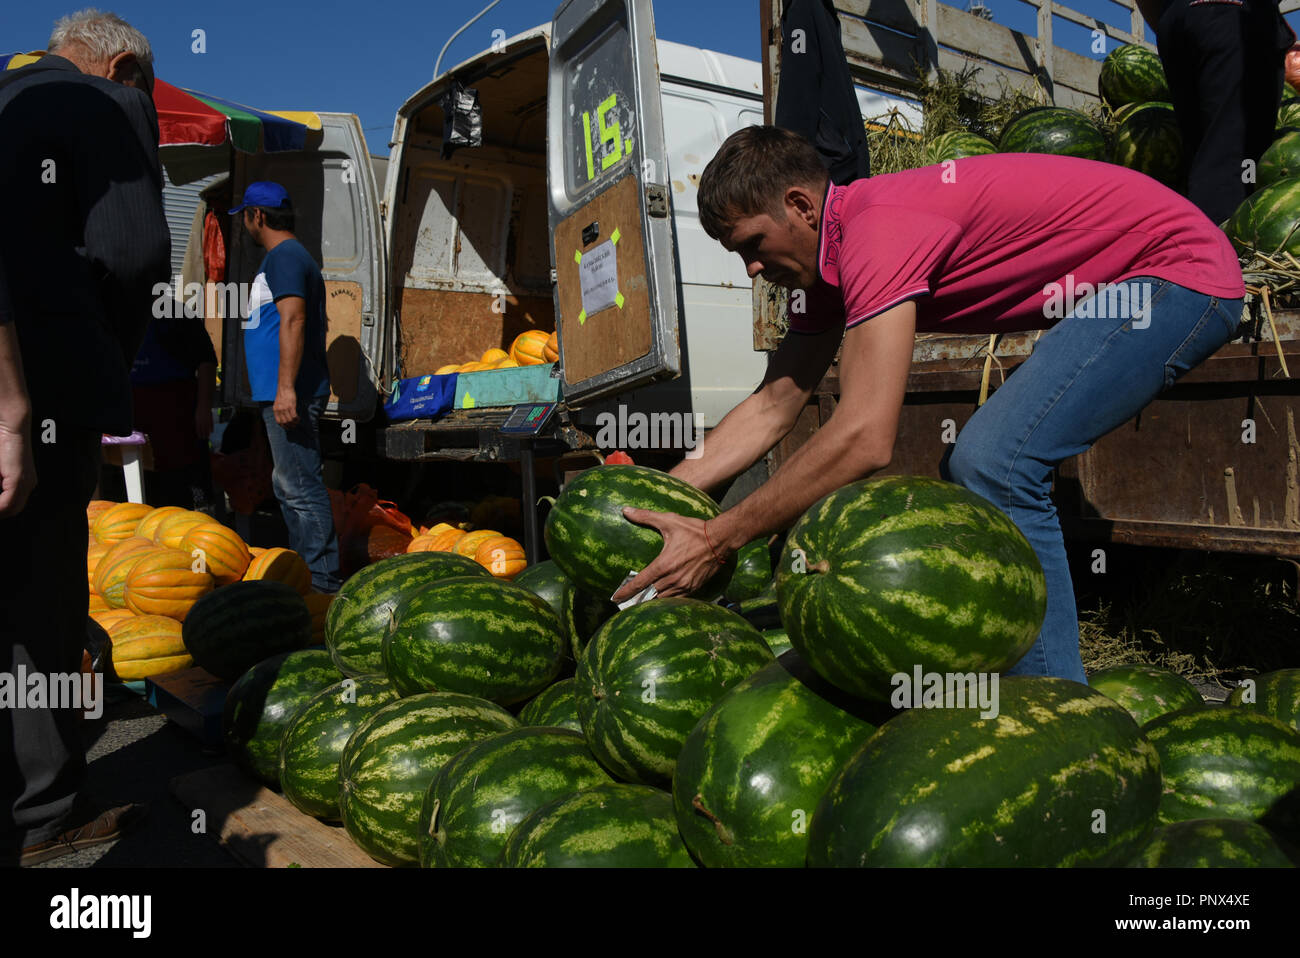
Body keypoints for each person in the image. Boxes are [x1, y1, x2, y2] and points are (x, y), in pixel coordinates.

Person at [610, 125, 1245, 684]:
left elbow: (864, 438)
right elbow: (774, 405)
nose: (749, 268)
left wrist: (719, 539)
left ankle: (1056, 704)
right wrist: (651, 507)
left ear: (801, 205)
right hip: (1126, 281)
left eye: (752, 244)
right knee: (983, 465)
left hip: (1176, 273)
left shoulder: (877, 230)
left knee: (993, 465)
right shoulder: (819, 271)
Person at [0, 9, 168, 865]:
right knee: (42, 595)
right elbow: (134, 251)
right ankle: (47, 813)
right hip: (43, 387)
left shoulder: (7, 95)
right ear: (125, 68)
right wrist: (106, 360)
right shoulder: (104, 104)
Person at [233, 181, 340, 592]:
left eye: (244, 217)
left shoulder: (285, 257)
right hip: (281, 392)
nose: (244, 225)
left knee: (300, 486)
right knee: (290, 483)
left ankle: (322, 585)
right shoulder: (287, 259)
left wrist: (285, 389)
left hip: (291, 393)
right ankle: (307, 576)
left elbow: (293, 320)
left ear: (256, 216)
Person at [1136, 0, 1296, 224]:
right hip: (1231, 16)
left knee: (1202, 151)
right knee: (1238, 158)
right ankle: (1223, 247)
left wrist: (1178, 18)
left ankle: (1197, 239)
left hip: (1176, 20)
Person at [124, 313, 218, 510]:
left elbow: (207, 362)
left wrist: (203, 406)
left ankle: (196, 514)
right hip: (134, 409)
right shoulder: (121, 314)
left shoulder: (178, 316)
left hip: (176, 410)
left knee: (183, 479)